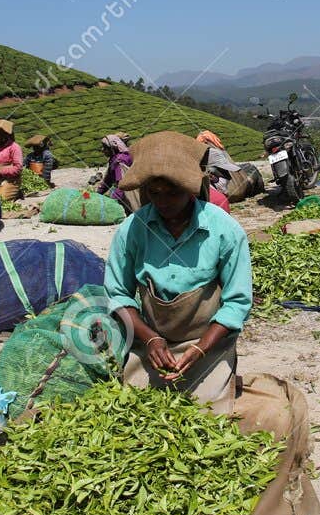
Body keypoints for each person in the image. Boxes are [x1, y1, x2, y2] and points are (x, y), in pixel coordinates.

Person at [104, 131, 252, 403]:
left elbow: (238, 303)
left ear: (190, 188)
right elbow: (118, 295)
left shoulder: (223, 230)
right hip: (151, 342)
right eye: (154, 193)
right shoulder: (132, 230)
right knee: (139, 407)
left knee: (207, 410)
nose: (162, 202)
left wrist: (201, 349)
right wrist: (150, 340)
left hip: (208, 343)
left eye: (173, 192)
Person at [94, 134, 134, 210]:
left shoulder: (119, 161)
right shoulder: (113, 159)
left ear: (112, 149)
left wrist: (112, 201)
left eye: (105, 148)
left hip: (129, 193)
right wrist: (97, 194)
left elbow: (122, 185)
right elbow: (108, 180)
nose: (102, 150)